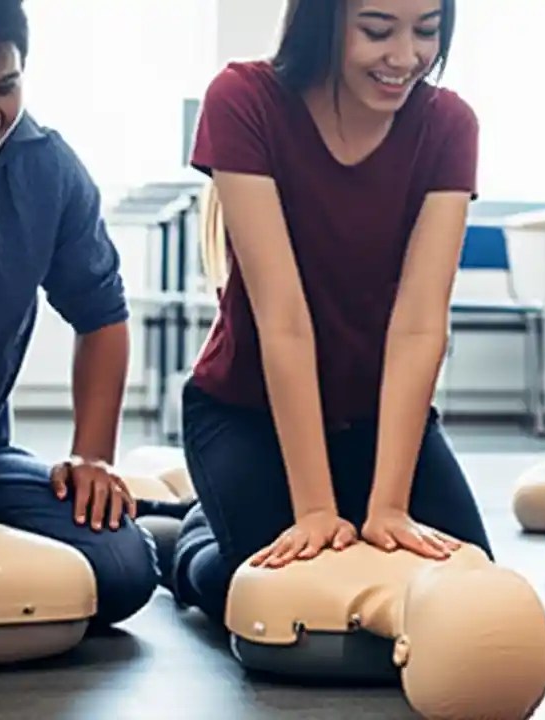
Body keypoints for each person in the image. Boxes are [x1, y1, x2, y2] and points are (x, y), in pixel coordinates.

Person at [170, 0, 492, 625]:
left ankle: (333, 500)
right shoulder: (242, 99)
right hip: (248, 412)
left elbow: (420, 324)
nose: (405, 58)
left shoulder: (449, 124)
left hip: (378, 418)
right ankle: (185, 538)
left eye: (426, 31)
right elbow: (282, 318)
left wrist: (390, 507)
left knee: (461, 591)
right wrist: (317, 511)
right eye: (377, 31)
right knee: (268, 595)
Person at [0, 0, 158, 627]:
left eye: (5, 87)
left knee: (122, 566)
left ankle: (169, 523)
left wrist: (93, 460)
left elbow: (102, 315)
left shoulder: (46, 167)